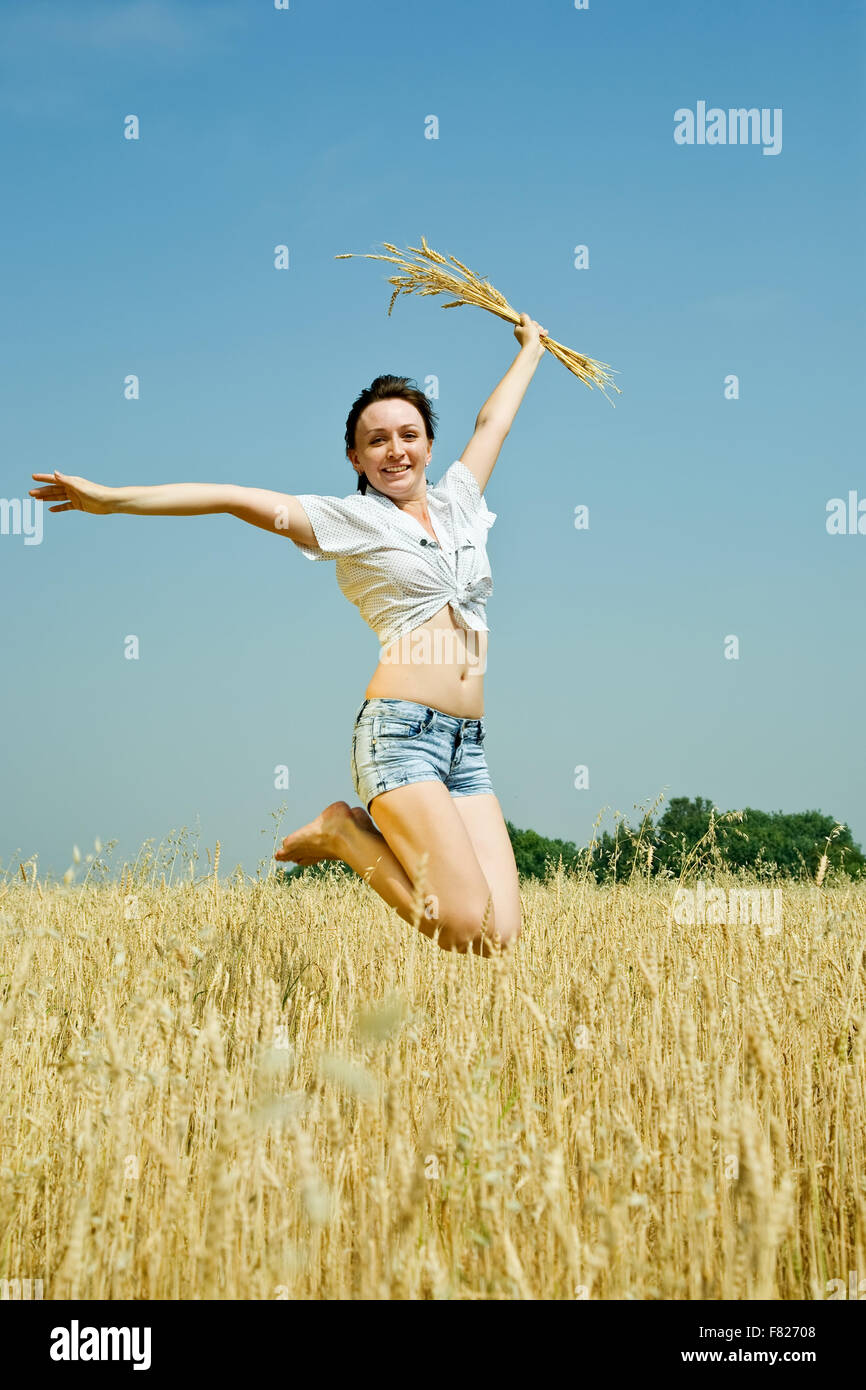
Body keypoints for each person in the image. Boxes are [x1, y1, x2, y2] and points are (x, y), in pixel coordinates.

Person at [29, 312, 548, 957]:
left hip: (467, 745)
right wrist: (112, 499)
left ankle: (351, 837)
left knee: (496, 939)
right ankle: (344, 835)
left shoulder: (461, 504)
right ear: (355, 457)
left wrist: (531, 347)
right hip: (401, 734)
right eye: (377, 440)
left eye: (409, 435)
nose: (396, 450)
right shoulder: (351, 519)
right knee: (462, 923)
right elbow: (231, 496)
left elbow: (492, 423)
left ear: (429, 446)